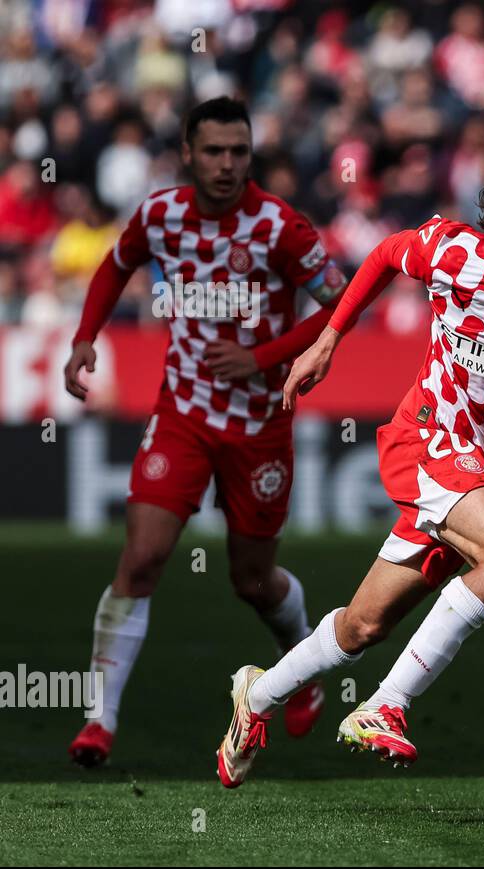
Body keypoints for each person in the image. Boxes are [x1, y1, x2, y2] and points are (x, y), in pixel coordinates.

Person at [214, 150, 484, 788]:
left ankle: (257, 696)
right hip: (427, 441)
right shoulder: (456, 253)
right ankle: (385, 705)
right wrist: (330, 337)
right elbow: (390, 251)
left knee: (364, 624)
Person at [62, 97, 347, 767]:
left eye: (239, 152)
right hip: (182, 414)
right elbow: (115, 263)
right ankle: (99, 721)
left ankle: (299, 669)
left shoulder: (281, 228)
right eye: (214, 151)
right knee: (141, 559)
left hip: (259, 426)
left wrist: (264, 358)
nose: (227, 164)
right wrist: (83, 338)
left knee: (252, 580)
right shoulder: (159, 214)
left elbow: (343, 304)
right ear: (188, 153)